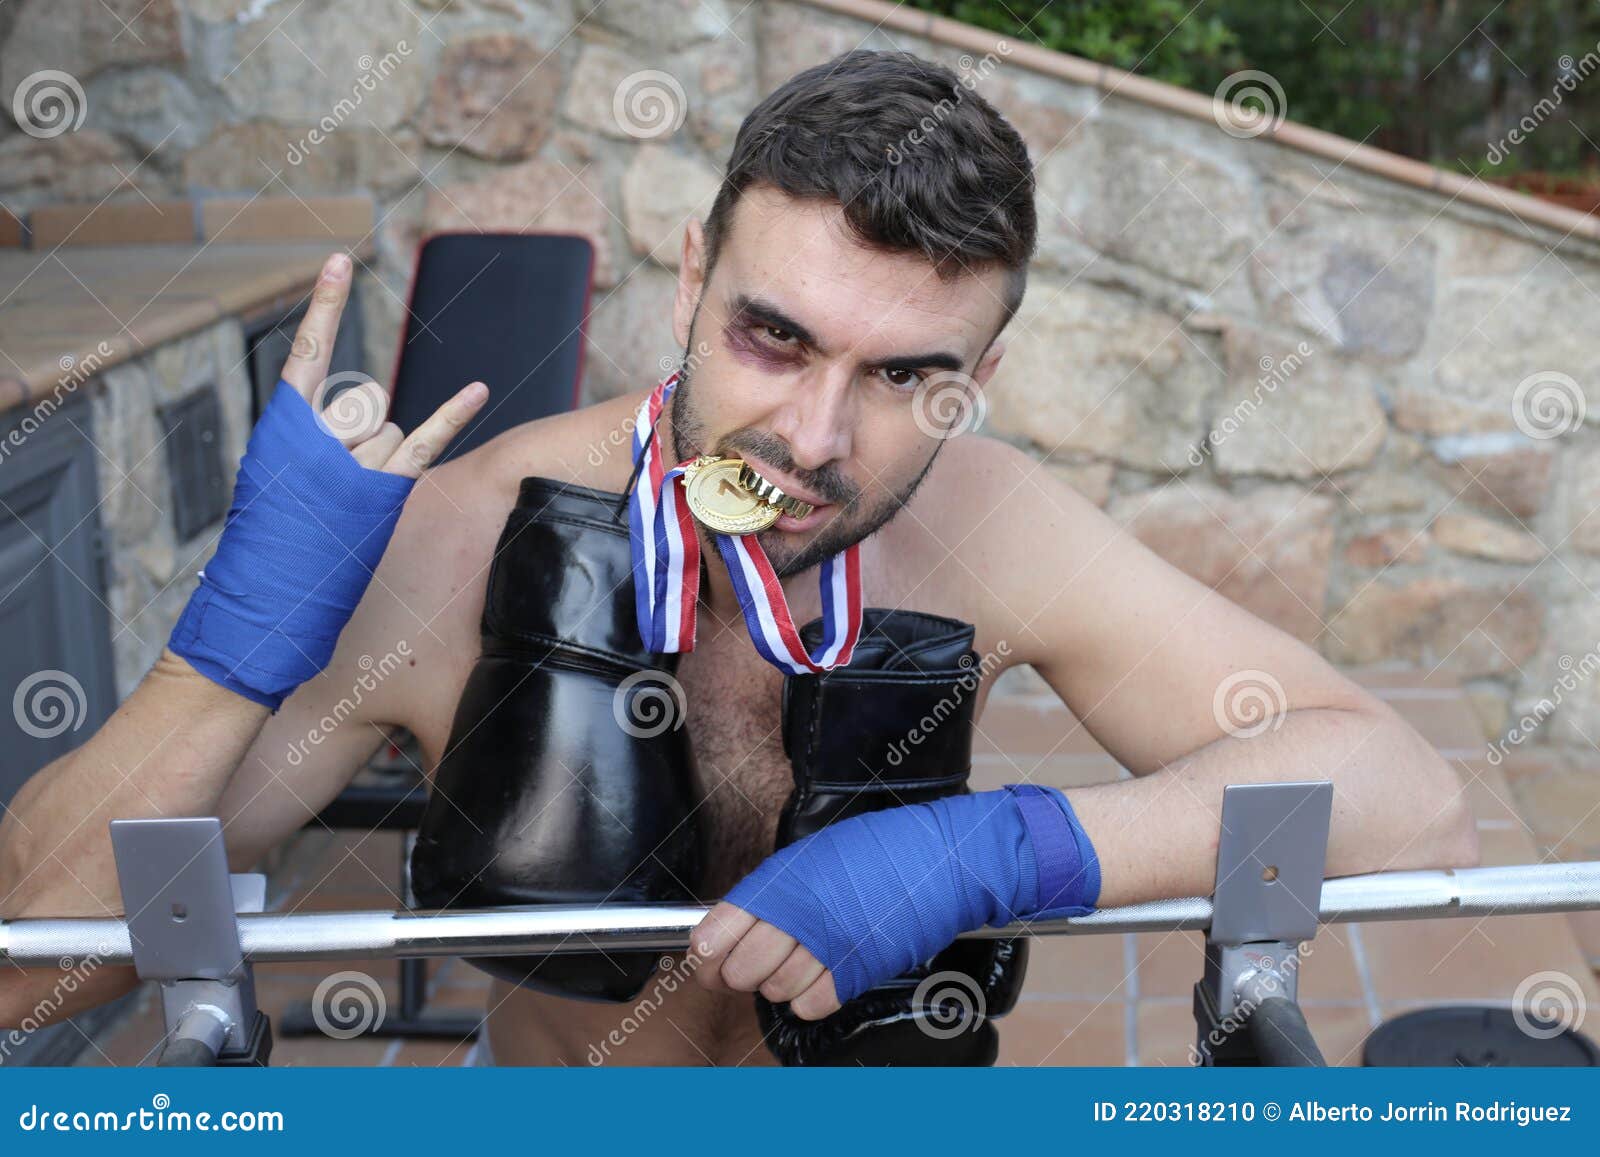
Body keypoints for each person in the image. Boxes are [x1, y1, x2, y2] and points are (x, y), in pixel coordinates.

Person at [0, 49, 1477, 1067]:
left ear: (986, 371)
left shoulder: (990, 522)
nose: (815, 437)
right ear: (694, 279)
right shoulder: (456, 539)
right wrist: (234, 639)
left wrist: (1002, 849)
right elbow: (29, 970)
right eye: (776, 337)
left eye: (904, 374)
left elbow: (1413, 808)